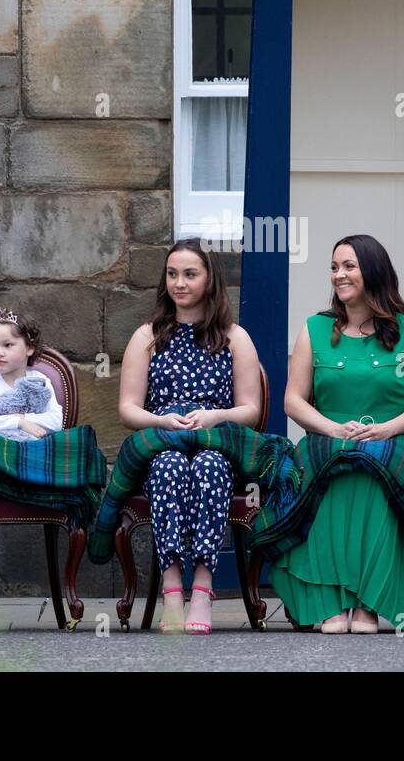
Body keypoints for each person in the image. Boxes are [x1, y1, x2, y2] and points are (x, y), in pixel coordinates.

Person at [272, 234, 404, 634]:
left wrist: (385, 429)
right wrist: (334, 428)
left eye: (348, 266)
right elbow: (293, 401)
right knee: (336, 468)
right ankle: (331, 601)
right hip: (329, 434)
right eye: (335, 267)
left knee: (371, 468)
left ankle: (368, 602)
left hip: (393, 437)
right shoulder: (315, 329)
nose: (339, 275)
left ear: (373, 271)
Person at [118, 239, 263, 634]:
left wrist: (216, 416)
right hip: (163, 438)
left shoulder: (234, 337)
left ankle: (201, 587)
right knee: (167, 467)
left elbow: (250, 410)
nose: (179, 283)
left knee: (211, 467)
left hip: (214, 440)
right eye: (172, 274)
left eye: (190, 274)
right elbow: (128, 409)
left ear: (209, 279)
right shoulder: (147, 336)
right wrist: (161, 422)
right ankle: (170, 589)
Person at [0, 307, 64, 442]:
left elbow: (56, 421)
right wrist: (18, 423)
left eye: (7, 345)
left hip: (35, 447)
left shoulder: (40, 380)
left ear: (29, 348)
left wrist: (23, 417)